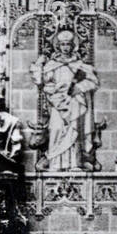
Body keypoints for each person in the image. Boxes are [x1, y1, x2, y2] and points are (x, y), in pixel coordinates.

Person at [30, 28, 98, 171]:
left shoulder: (79, 65)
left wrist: (79, 87)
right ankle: (55, 164)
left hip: (74, 103)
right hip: (58, 102)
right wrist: (38, 65)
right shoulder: (52, 65)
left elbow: (93, 82)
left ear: (73, 46)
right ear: (58, 46)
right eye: (62, 44)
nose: (65, 47)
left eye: (68, 44)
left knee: (74, 131)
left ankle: (74, 163)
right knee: (56, 129)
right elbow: (41, 81)